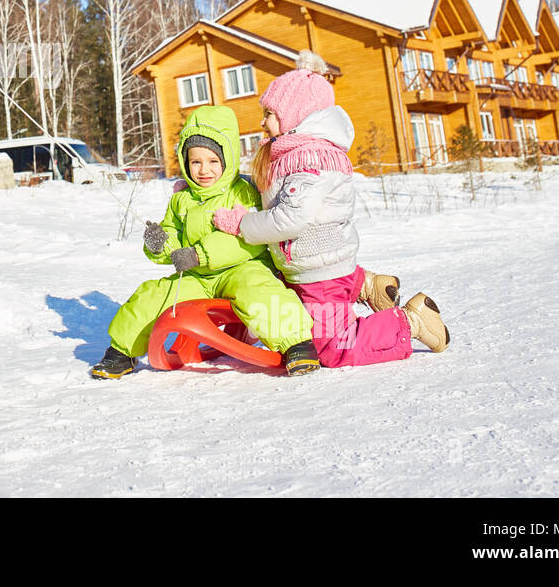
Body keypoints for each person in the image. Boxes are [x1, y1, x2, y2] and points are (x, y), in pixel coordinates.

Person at [212, 52, 450, 367]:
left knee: (333, 345)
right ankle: (366, 285)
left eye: (269, 113)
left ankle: (412, 321)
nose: (262, 121)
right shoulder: (292, 154)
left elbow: (290, 218)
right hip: (311, 267)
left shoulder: (310, 160)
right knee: (290, 303)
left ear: (294, 114)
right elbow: (270, 193)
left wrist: (243, 224)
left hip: (320, 275)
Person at [89, 104, 321, 380]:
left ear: (228, 160)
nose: (204, 170)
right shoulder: (181, 198)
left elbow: (249, 239)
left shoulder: (243, 192)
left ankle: (297, 343)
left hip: (242, 268)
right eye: (195, 162)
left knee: (259, 290)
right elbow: (173, 236)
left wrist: (200, 255)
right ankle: (121, 351)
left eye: (213, 161)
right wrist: (160, 244)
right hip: (197, 277)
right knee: (153, 295)